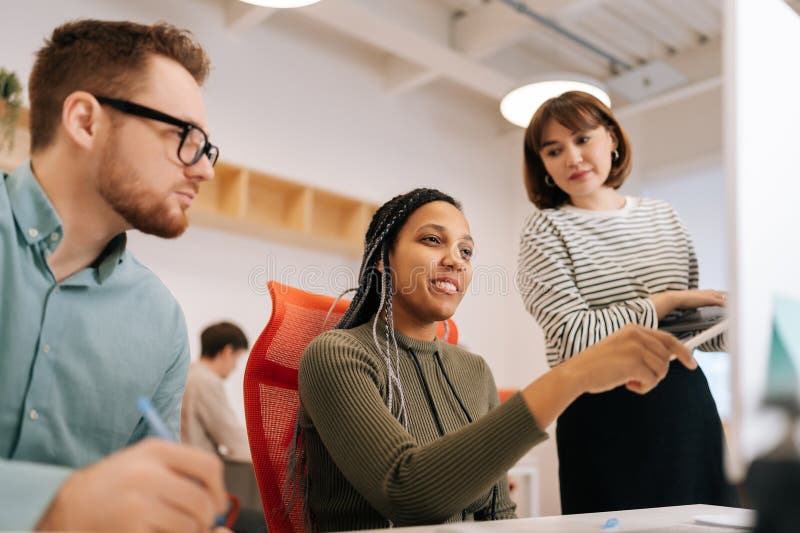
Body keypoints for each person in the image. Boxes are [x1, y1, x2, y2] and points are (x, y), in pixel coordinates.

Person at [296, 188, 696, 531]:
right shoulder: (337, 355)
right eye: (433, 240)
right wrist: (573, 375)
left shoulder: (473, 370)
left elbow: (498, 514)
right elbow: (407, 493)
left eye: (466, 250)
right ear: (383, 258)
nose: (455, 259)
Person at [0, 20, 228, 530]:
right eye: (182, 136)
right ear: (84, 121)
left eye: (206, 146)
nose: (204, 169)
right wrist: (55, 504)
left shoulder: (162, 322)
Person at [516, 90, 737, 513]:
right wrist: (665, 300)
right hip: (599, 411)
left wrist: (739, 323)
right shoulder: (544, 230)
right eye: (554, 150)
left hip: (684, 405)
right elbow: (572, 338)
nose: (573, 158)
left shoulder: (663, 217)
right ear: (541, 163)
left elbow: (687, 331)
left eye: (583, 139)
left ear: (612, 139)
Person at [182, 322, 251, 461]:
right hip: (197, 470)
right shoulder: (205, 381)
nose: (235, 366)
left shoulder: (187, 374)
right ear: (227, 351)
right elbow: (231, 436)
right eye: (237, 358)